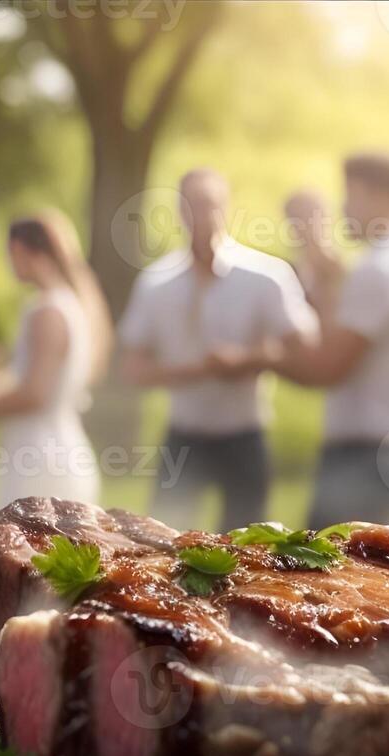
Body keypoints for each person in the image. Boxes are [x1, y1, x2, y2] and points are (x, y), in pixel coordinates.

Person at [118, 168, 318, 531]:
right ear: (180, 210)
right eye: (195, 204)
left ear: (226, 207)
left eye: (212, 204)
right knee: (166, 542)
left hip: (244, 435)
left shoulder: (265, 277)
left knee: (249, 547)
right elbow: (132, 369)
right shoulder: (155, 283)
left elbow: (303, 351)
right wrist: (195, 371)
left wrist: (247, 360)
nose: (205, 214)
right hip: (183, 437)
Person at [279, 153, 389, 527]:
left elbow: (327, 366)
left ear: (380, 197)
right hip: (383, 454)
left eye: (350, 196)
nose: (343, 209)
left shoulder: (378, 270)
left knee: (326, 578)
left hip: (359, 459)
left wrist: (257, 359)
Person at [0, 210, 110, 507]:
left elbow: (33, 394)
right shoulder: (66, 303)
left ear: (19, 250)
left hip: (42, 458)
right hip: (46, 451)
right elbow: (24, 378)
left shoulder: (47, 310)